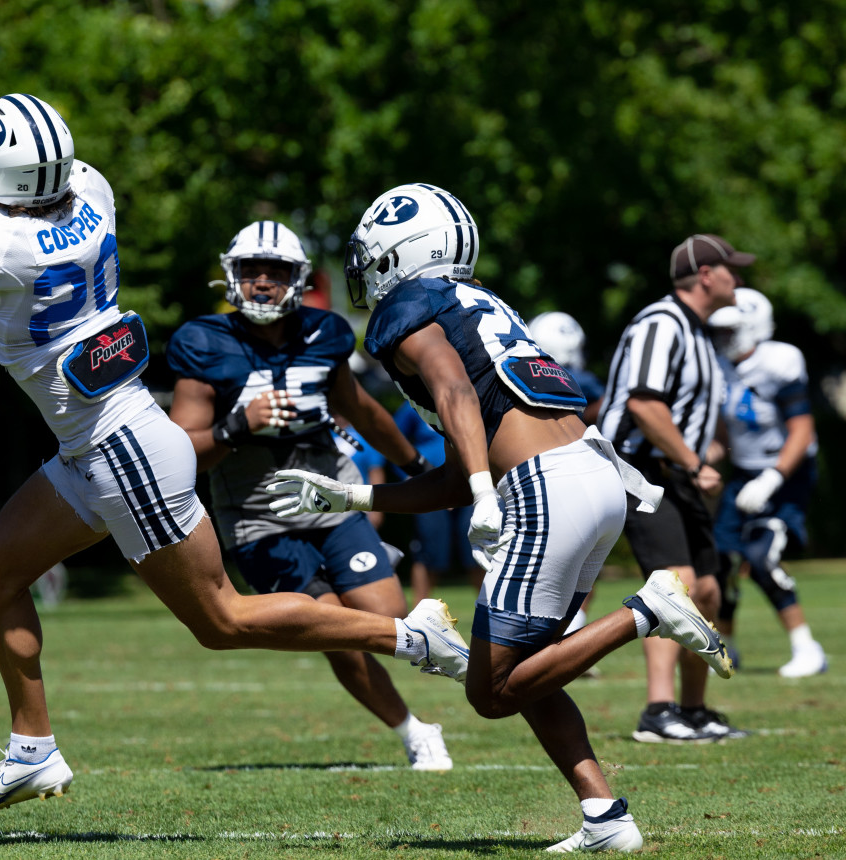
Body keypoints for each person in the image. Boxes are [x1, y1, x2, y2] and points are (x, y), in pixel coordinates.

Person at [0, 61, 469, 816]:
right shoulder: (92, 191)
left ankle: (409, 637)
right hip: (98, 442)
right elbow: (19, 153)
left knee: (222, 621)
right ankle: (33, 749)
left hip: (122, 451)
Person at [266, 183, 734, 852]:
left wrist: (488, 493)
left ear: (403, 252)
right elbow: (458, 472)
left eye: (372, 255)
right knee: (529, 665)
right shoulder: (478, 302)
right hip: (593, 476)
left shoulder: (408, 306)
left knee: (491, 691)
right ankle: (606, 818)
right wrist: (353, 499)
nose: (365, 269)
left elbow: (454, 392)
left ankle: (646, 613)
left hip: (545, 490)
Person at [167, 221, 452, 771]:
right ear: (232, 277)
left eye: (276, 271)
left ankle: (364, 570)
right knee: (334, 631)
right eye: (252, 271)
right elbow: (180, 451)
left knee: (386, 614)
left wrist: (416, 465)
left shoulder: (324, 332)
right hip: (257, 512)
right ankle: (414, 730)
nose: (264, 282)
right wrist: (235, 427)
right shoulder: (204, 343)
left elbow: (361, 410)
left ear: (298, 279)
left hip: (329, 492)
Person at [598, 233, 752, 743]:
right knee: (677, 586)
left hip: (674, 472)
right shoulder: (661, 323)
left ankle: (694, 709)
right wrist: (693, 459)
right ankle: (657, 712)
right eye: (732, 269)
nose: (739, 277)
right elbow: (644, 404)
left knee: (707, 587)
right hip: (638, 468)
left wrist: (703, 454)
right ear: (707, 274)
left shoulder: (698, 332)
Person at [707, 288, 827, 678]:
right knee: (721, 561)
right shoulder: (720, 367)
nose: (725, 338)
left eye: (732, 329)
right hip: (743, 473)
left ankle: (806, 647)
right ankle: (728, 647)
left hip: (787, 474)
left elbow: (802, 430)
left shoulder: (780, 361)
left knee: (760, 556)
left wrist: (772, 478)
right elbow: (723, 433)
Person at [528, 312, 604, 639]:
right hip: (577, 472)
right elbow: (608, 404)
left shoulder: (522, 373)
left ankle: (558, 634)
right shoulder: (578, 379)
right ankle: (571, 632)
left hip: (538, 474)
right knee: (583, 565)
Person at [390, 401, 483, 599]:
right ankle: (419, 616)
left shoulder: (472, 399)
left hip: (472, 485)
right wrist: (407, 474)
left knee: (478, 549)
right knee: (427, 552)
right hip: (430, 487)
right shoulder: (413, 404)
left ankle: (487, 611)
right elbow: (392, 437)